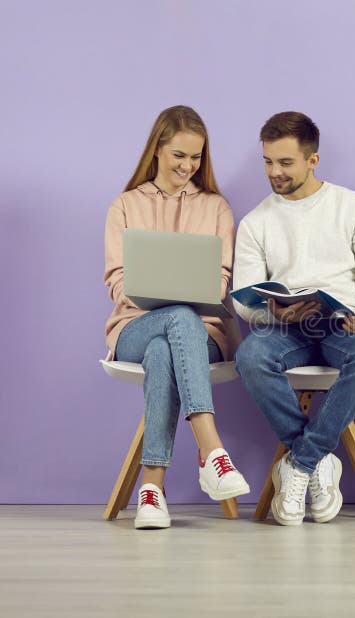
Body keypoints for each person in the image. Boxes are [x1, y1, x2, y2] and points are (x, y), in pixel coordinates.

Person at [233, 111, 355, 526]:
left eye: (285, 163)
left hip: (344, 322)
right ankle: (317, 461)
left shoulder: (353, 206)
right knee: (251, 357)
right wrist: (271, 309)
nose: (275, 172)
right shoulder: (256, 222)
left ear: (313, 160)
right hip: (286, 327)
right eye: (268, 161)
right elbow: (242, 297)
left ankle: (300, 464)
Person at [103, 105, 250, 530]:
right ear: (157, 151)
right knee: (174, 319)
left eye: (196, 157)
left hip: (203, 333)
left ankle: (152, 487)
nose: (188, 166)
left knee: (169, 339)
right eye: (179, 156)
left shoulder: (216, 207)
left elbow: (221, 280)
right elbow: (116, 280)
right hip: (133, 325)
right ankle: (212, 450)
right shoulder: (125, 205)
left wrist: (185, 297)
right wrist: (160, 295)